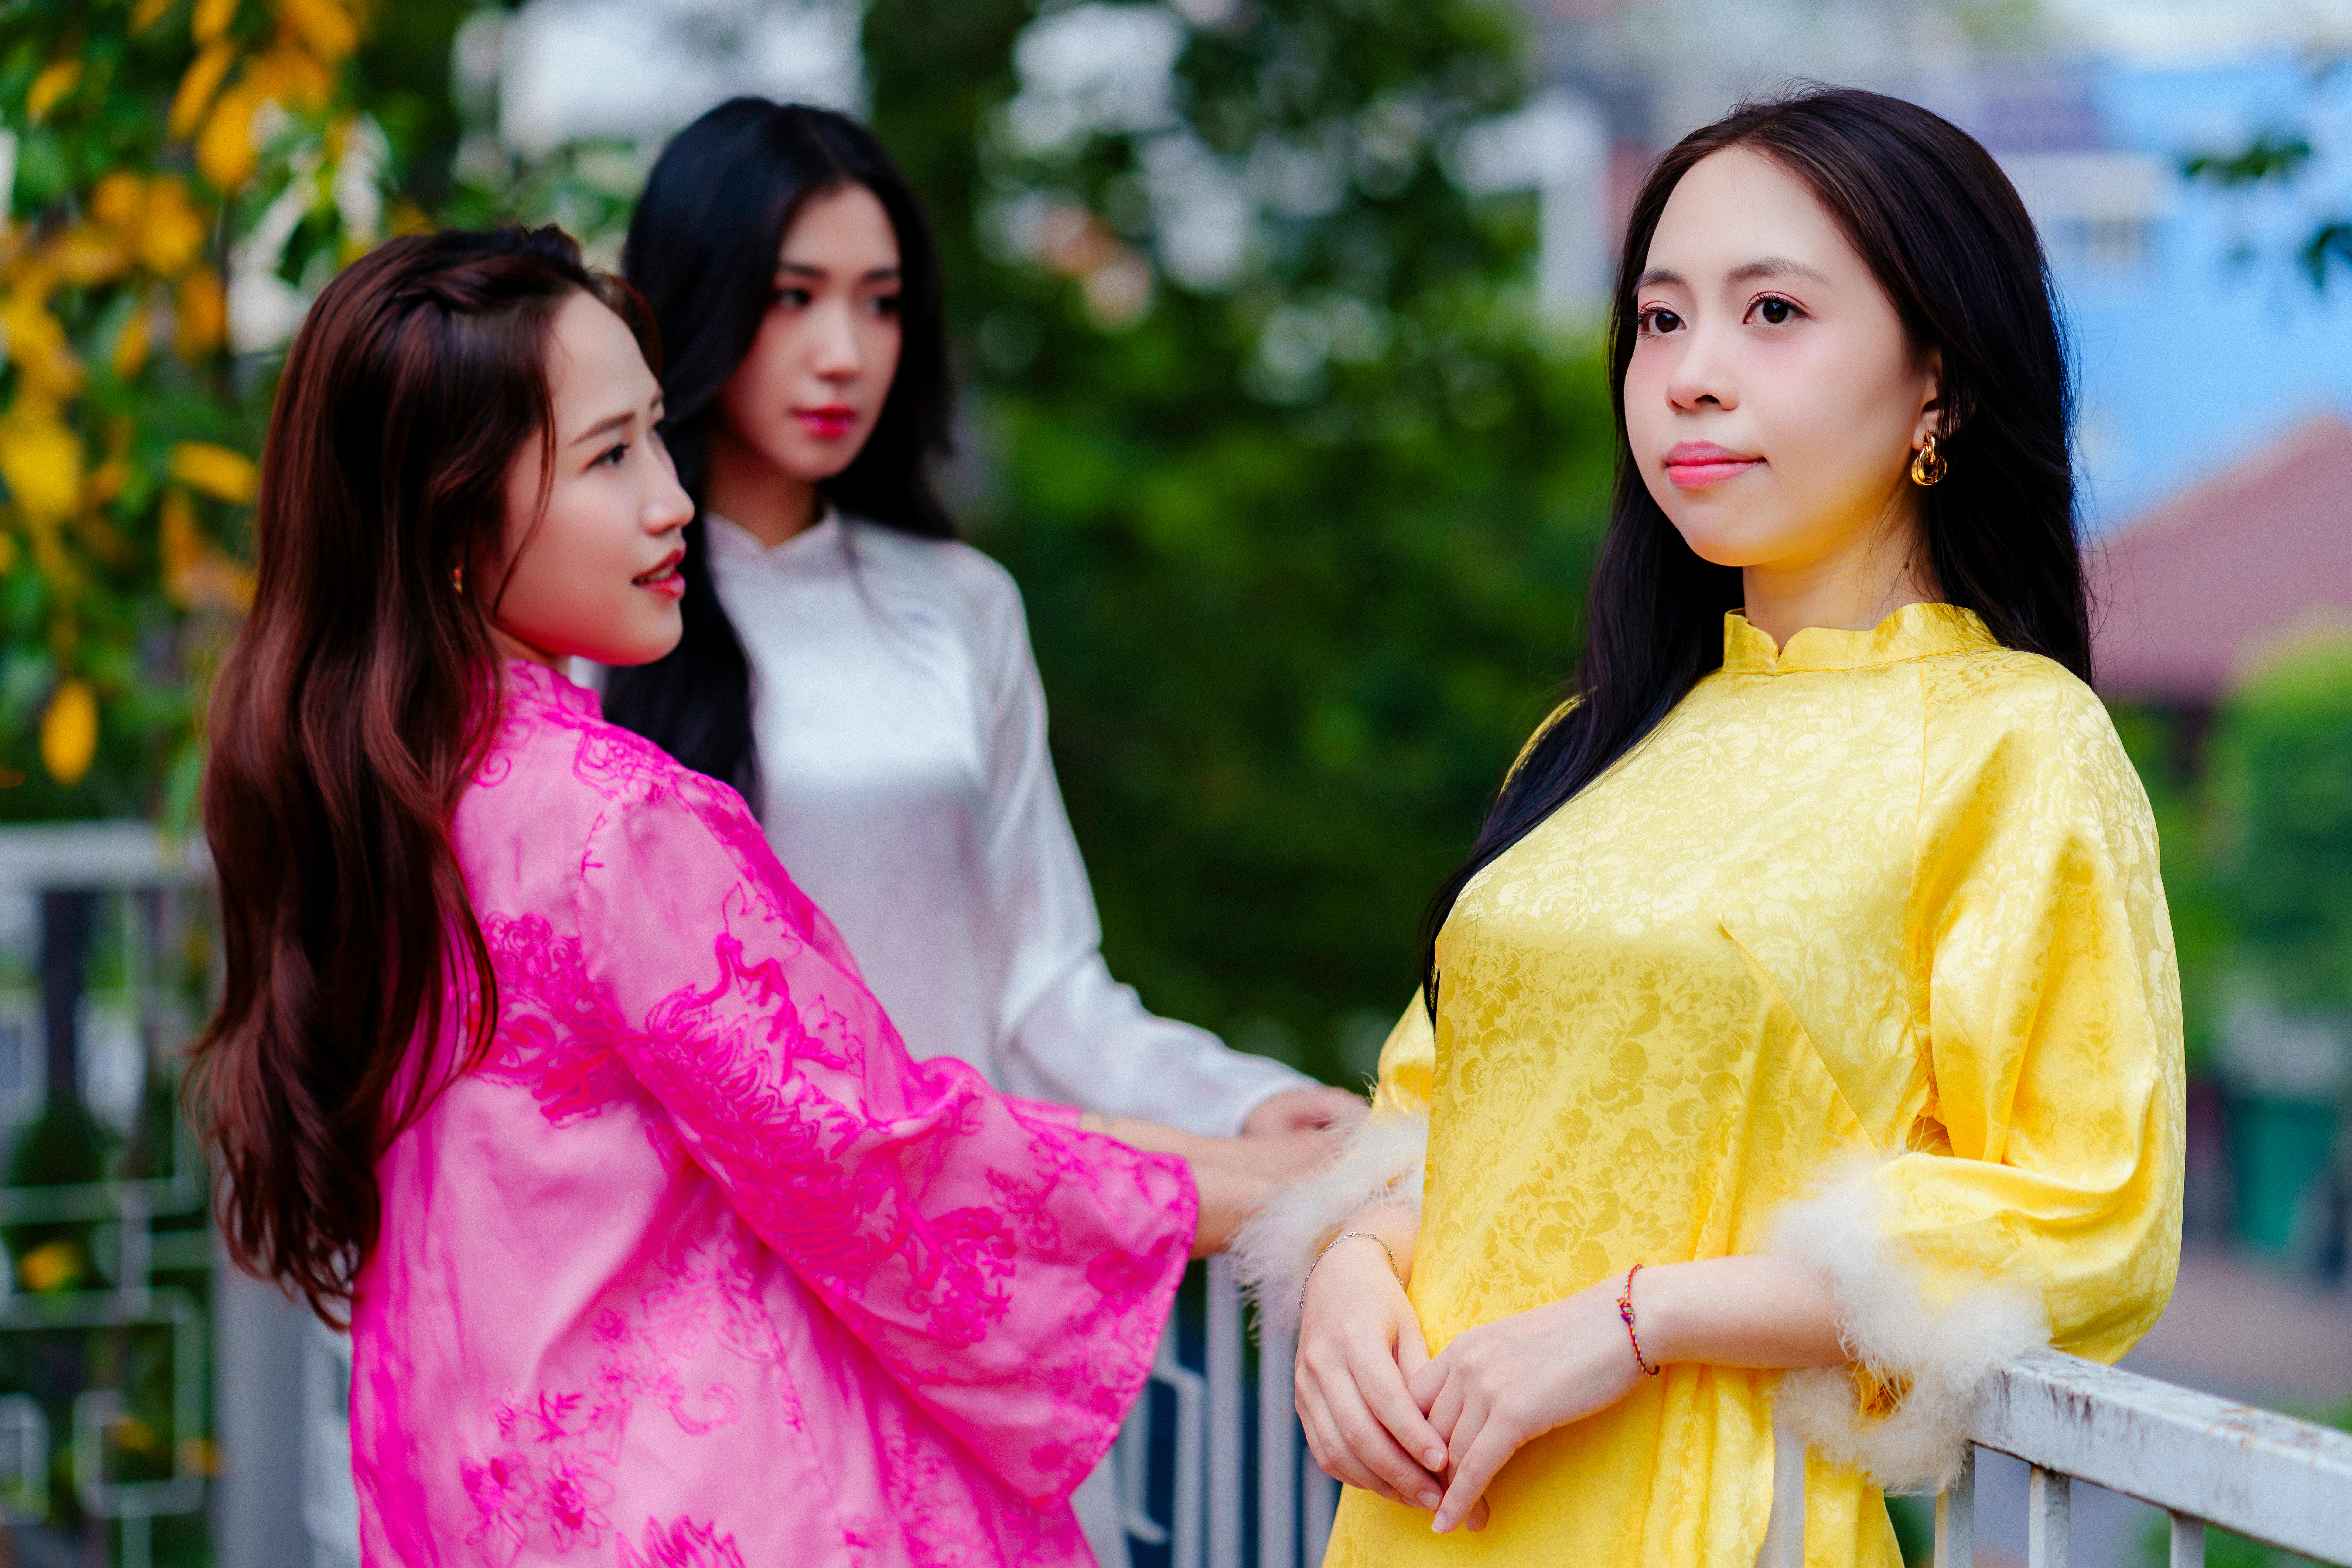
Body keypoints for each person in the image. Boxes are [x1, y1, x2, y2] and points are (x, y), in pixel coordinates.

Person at [193, 226, 1269, 1566]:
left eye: (656, 435)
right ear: (454, 522)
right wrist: (1286, 1192)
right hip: (707, 1508)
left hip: (460, 1490)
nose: (672, 502)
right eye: (608, 457)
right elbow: (886, 1160)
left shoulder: (368, 793)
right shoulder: (617, 823)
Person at [1239, 88, 2183, 1567]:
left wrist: (1640, 1319)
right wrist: (1354, 1260)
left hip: (1712, 1517)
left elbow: (2086, 1211)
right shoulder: (1592, 742)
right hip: (1428, 1508)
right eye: (1660, 320)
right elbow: (1434, 1110)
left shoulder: (2012, 743)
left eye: (1772, 313)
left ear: (1937, 386)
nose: (1689, 376)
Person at [599, 101, 1359, 1163]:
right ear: (699, 297)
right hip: (693, 1229)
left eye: (880, 303)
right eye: (792, 296)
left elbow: (1045, 991)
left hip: (944, 1220)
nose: (842, 354)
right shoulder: (593, 608)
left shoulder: (961, 604)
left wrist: (1241, 1104)